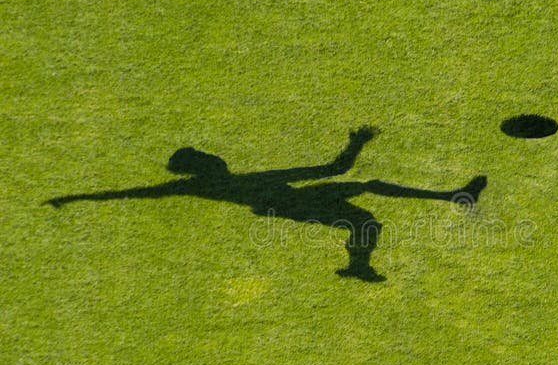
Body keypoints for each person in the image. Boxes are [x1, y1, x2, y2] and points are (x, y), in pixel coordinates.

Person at [47, 126, 487, 282]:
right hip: (287, 206)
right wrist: (75, 197)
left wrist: (354, 144)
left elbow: (329, 170)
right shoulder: (221, 185)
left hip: (290, 199)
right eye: (204, 158)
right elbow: (137, 194)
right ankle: (358, 265)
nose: (213, 157)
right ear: (201, 168)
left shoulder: (232, 181)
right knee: (366, 219)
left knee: (367, 200)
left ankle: (452, 196)